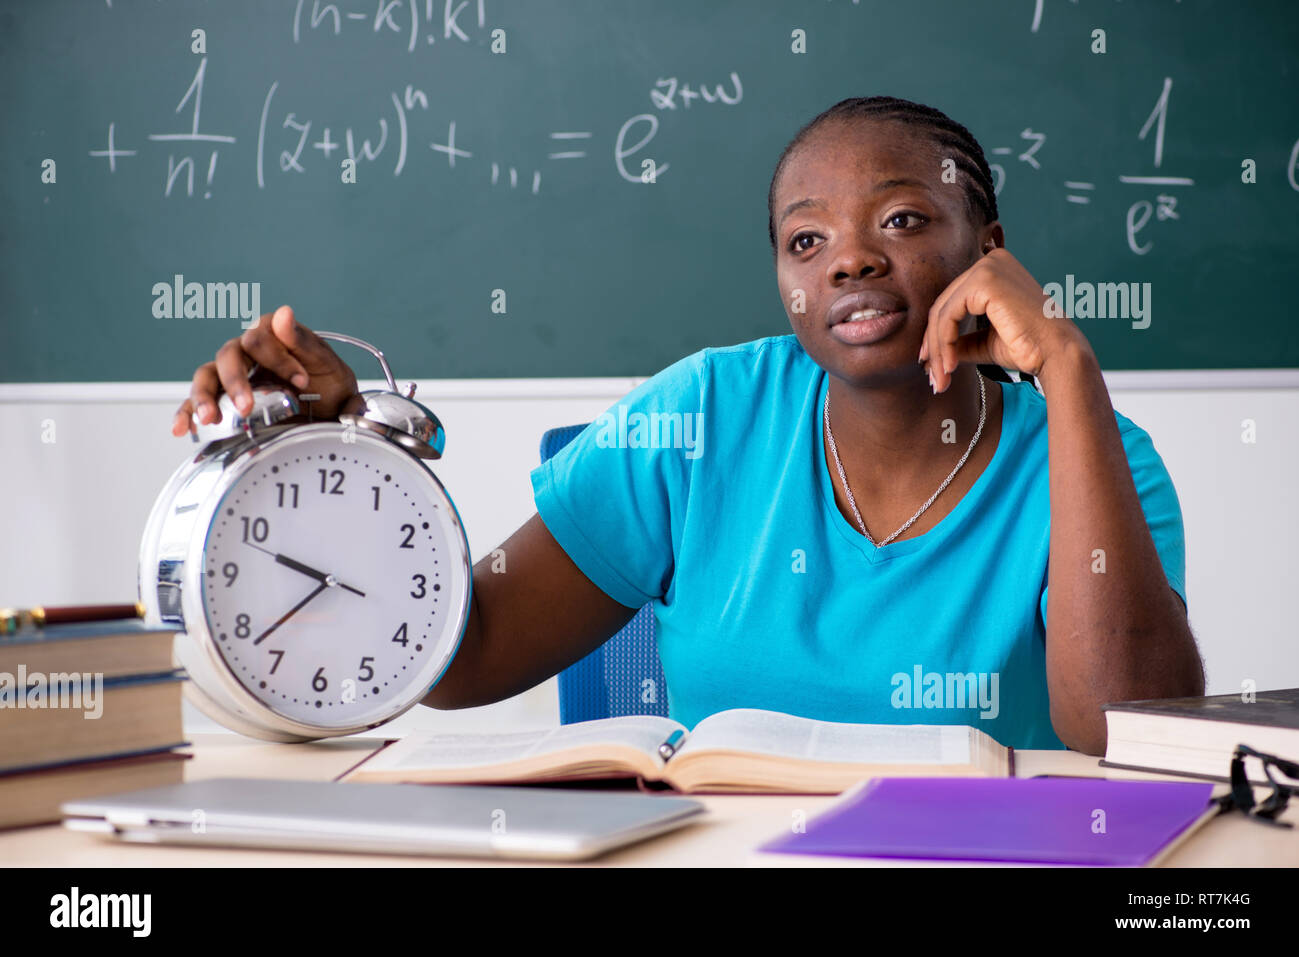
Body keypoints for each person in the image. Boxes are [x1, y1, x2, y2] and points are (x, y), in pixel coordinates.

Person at [170, 96, 1204, 755]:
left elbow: (1129, 736)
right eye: (807, 239)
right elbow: (463, 655)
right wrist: (347, 463)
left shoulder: (1089, 457)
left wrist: (1068, 370)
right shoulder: (701, 418)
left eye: (900, 220)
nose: (847, 259)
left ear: (989, 249)